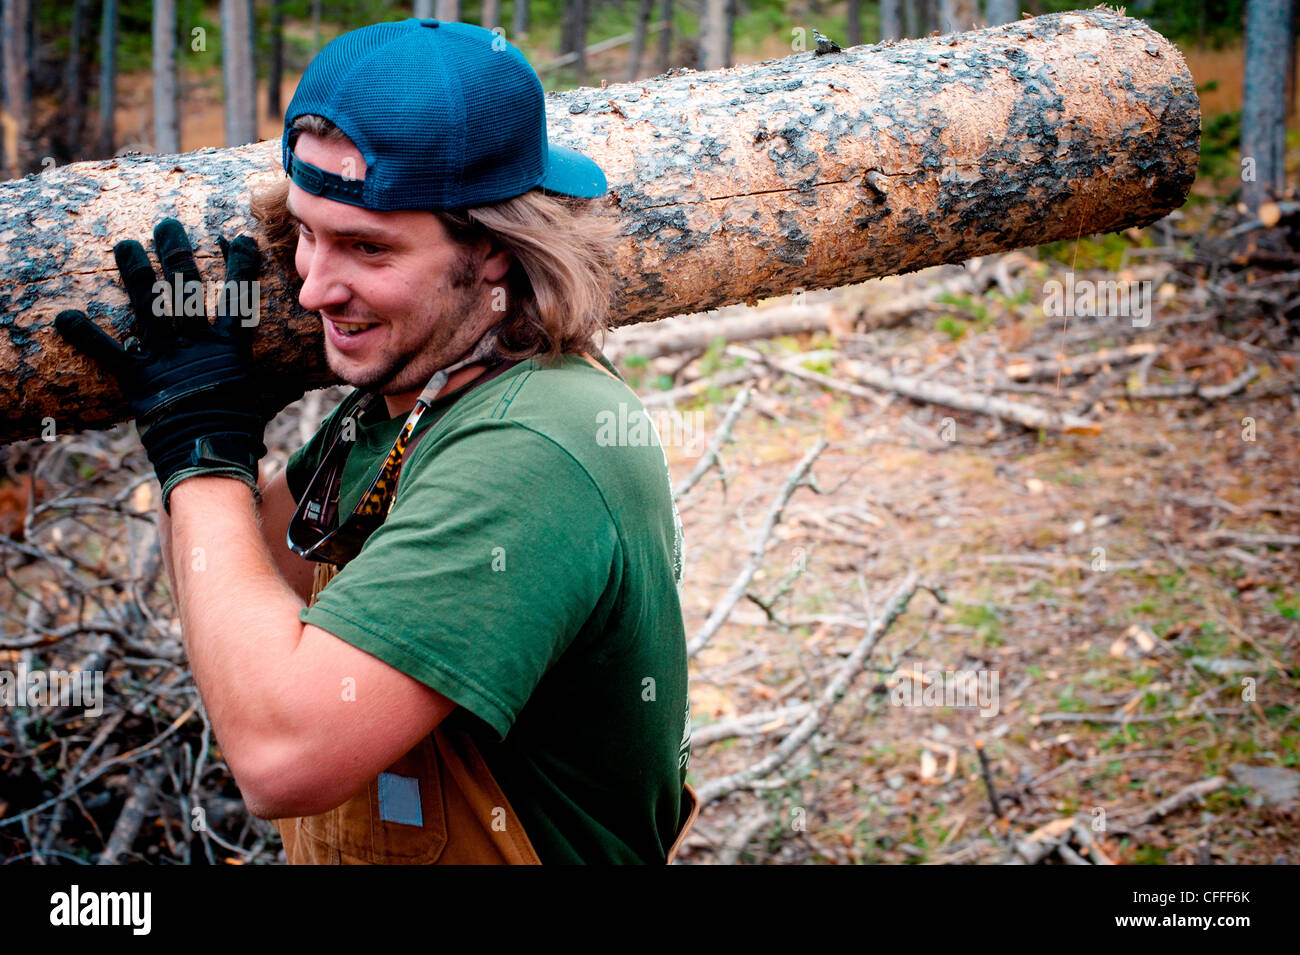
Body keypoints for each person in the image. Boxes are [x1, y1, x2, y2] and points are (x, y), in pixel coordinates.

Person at [55, 18, 695, 864]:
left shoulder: (531, 450)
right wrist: (222, 428)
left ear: (498, 250)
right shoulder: (419, 397)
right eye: (307, 232)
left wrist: (200, 457)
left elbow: (279, 753)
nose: (314, 285)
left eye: (366, 246)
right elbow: (238, 598)